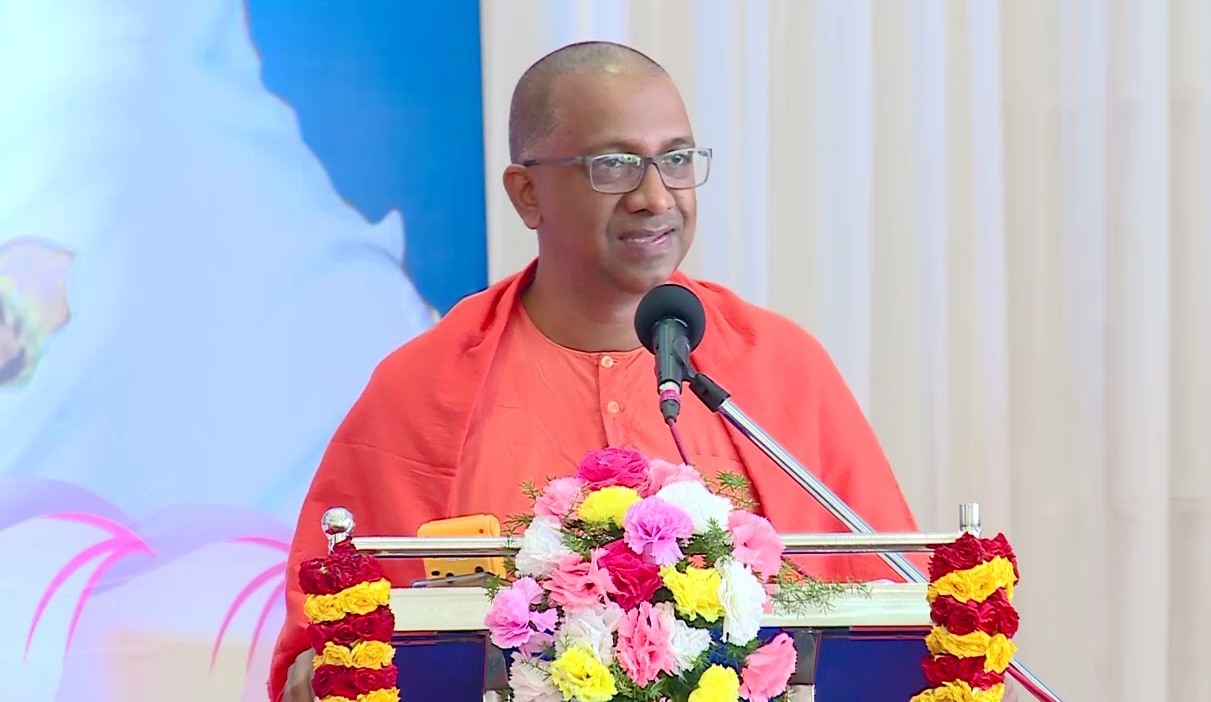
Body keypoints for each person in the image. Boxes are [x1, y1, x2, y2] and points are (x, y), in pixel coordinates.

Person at [268, 40, 922, 701]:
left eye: (675, 159)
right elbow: (325, 650)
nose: (654, 196)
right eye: (614, 165)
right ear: (528, 194)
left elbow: (890, 616)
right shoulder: (421, 390)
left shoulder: (779, 368)